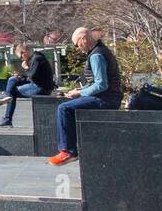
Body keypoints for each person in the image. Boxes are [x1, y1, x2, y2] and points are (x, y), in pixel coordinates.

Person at [49, 27, 123, 165]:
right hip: (110, 97)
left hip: (106, 100)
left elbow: (101, 84)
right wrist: (80, 90)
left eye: (77, 44)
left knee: (63, 109)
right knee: (68, 106)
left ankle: (68, 151)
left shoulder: (96, 55)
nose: (77, 48)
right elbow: (97, 82)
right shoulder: (101, 50)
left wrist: (80, 93)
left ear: (83, 39)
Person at [0, 43, 56, 127]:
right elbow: (33, 75)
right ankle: (7, 97)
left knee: (12, 93)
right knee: (12, 80)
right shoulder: (35, 57)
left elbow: (32, 75)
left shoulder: (37, 58)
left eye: (21, 57)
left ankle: (7, 117)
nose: (22, 59)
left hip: (41, 87)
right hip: (37, 83)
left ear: (24, 52)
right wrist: (20, 75)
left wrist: (25, 68)